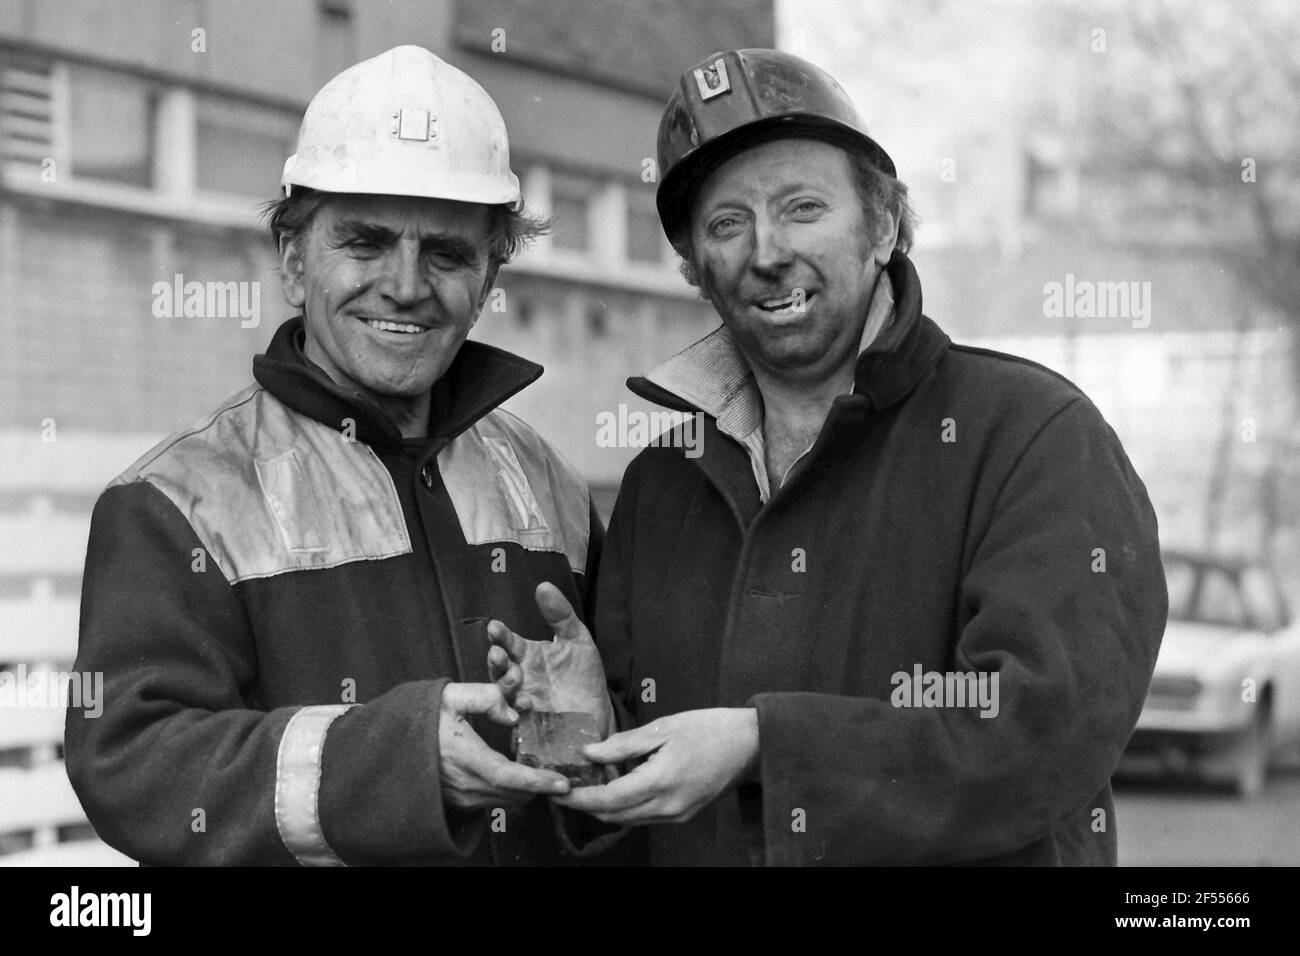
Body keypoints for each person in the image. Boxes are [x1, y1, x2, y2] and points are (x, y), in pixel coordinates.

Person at [491, 48, 1168, 865]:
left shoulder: (1032, 436)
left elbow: (1047, 726)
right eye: (727, 224)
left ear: (882, 226)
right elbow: (648, 792)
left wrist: (764, 749)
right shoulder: (660, 486)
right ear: (695, 271)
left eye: (802, 206)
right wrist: (590, 738)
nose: (766, 251)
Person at [65, 45, 608, 866]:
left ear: (492, 271)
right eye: (365, 242)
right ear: (292, 260)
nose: (405, 284)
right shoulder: (177, 501)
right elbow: (132, 766)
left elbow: (600, 773)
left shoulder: (549, 483)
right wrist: (389, 763)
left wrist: (577, 740)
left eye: (448, 253)